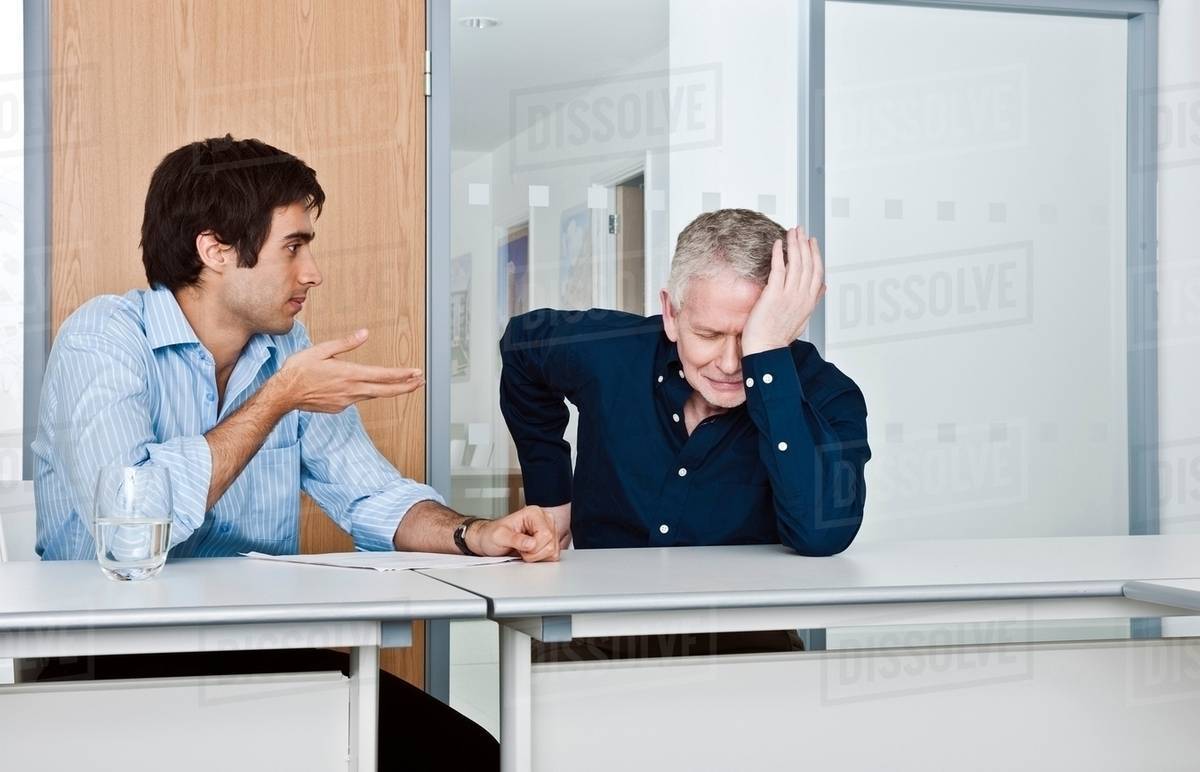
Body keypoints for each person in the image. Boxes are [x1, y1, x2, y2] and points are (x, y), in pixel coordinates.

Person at [32, 134, 557, 768]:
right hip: (113, 658)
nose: (312, 272)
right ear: (215, 249)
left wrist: (476, 532)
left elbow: (371, 496)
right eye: (293, 246)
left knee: (470, 755)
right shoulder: (103, 338)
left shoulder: (286, 351)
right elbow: (131, 527)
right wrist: (279, 397)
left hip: (256, 649)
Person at [500, 208, 871, 659]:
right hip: (590, 638)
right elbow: (522, 346)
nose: (733, 364)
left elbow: (822, 535)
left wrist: (768, 358)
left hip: (746, 653)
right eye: (710, 334)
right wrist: (551, 497)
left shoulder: (828, 395)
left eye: (752, 335)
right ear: (671, 314)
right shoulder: (614, 351)